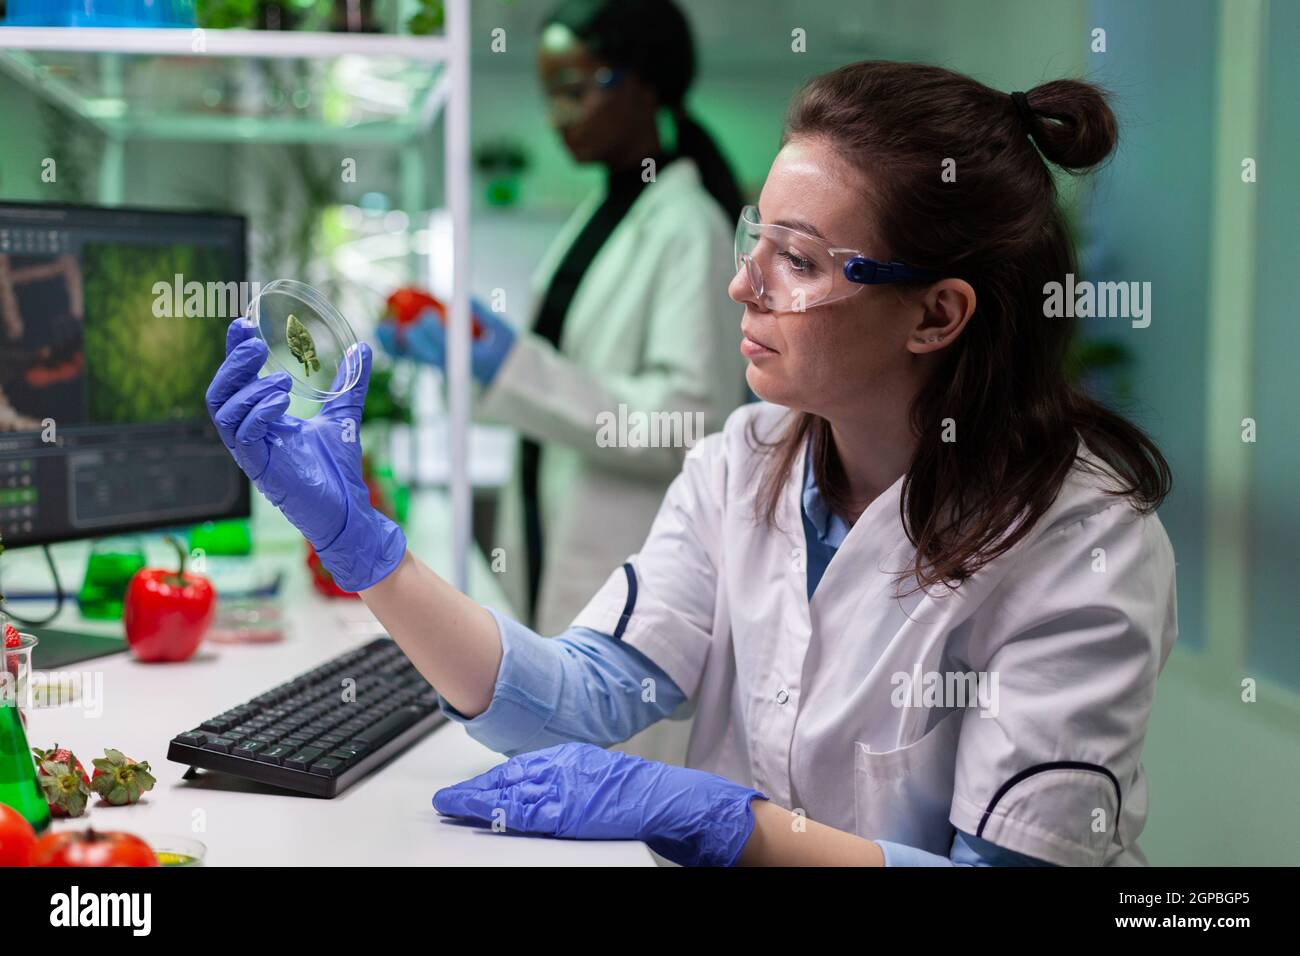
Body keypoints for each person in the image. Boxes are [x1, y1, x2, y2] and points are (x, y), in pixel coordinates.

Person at [208, 61, 1177, 866]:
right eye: (757, 236)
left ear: (936, 314)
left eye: (796, 259)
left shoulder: (1081, 545)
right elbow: (577, 696)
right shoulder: (741, 462)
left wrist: (727, 820)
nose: (740, 281)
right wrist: (366, 550)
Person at [378, 0, 746, 644]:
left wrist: (512, 365)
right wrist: (470, 360)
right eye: (549, 95)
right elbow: (563, 381)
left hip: (631, 577)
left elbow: (688, 422)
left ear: (643, 82)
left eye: (574, 91)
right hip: (556, 549)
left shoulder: (690, 226)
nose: (556, 117)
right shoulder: (603, 215)